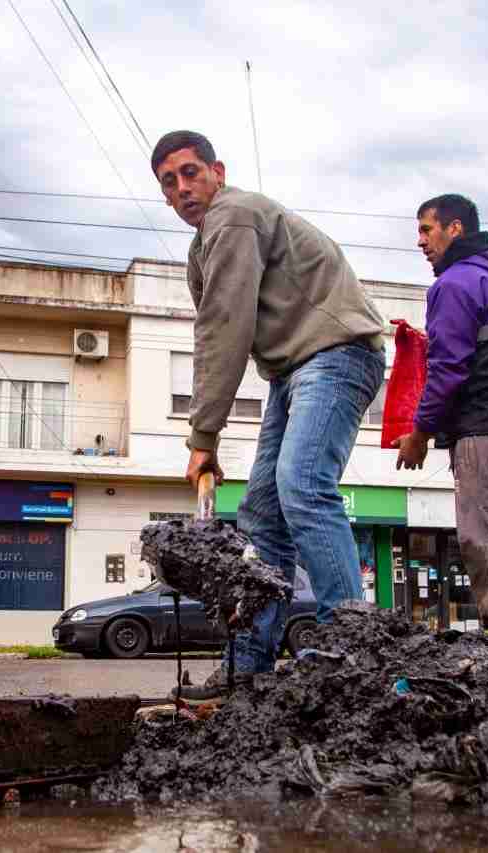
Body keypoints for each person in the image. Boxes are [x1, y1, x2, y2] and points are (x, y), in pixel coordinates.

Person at [151, 130, 386, 706]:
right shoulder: (206, 241)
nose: (182, 188)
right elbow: (224, 326)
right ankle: (248, 666)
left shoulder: (233, 216)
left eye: (190, 172)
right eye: (168, 182)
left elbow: (224, 328)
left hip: (335, 354)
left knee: (302, 485)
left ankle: (350, 646)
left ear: (217, 171)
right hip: (291, 372)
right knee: (263, 515)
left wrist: (203, 436)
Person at [392, 194, 488, 664]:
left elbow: (448, 369)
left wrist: (420, 432)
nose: (420, 241)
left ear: (454, 229)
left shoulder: (455, 284)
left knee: (485, 532)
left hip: (485, 426)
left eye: (426, 230)